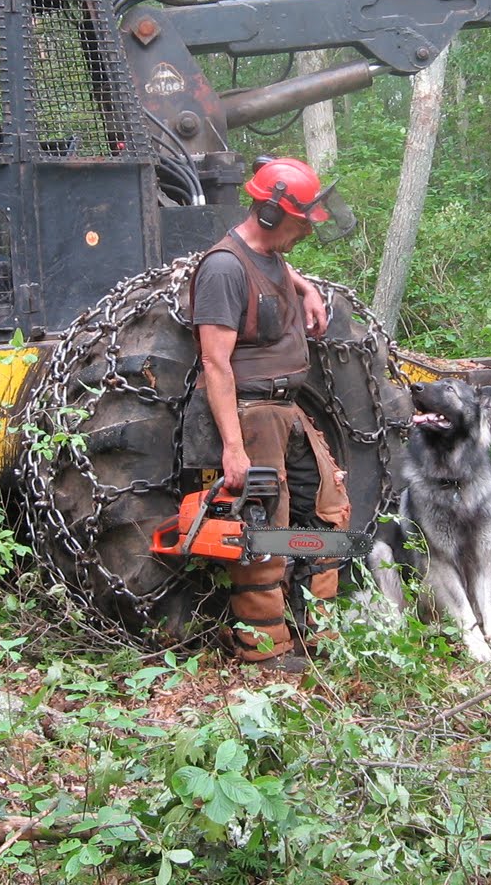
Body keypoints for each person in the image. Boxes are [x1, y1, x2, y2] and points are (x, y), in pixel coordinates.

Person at [185, 157, 353, 671]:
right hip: (252, 413)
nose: (305, 233)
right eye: (300, 224)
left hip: (287, 410)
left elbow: (271, 264)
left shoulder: (270, 255)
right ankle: (266, 652)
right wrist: (233, 448)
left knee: (328, 510)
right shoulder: (223, 269)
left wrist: (307, 288)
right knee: (263, 531)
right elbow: (215, 363)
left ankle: (318, 632)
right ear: (271, 214)